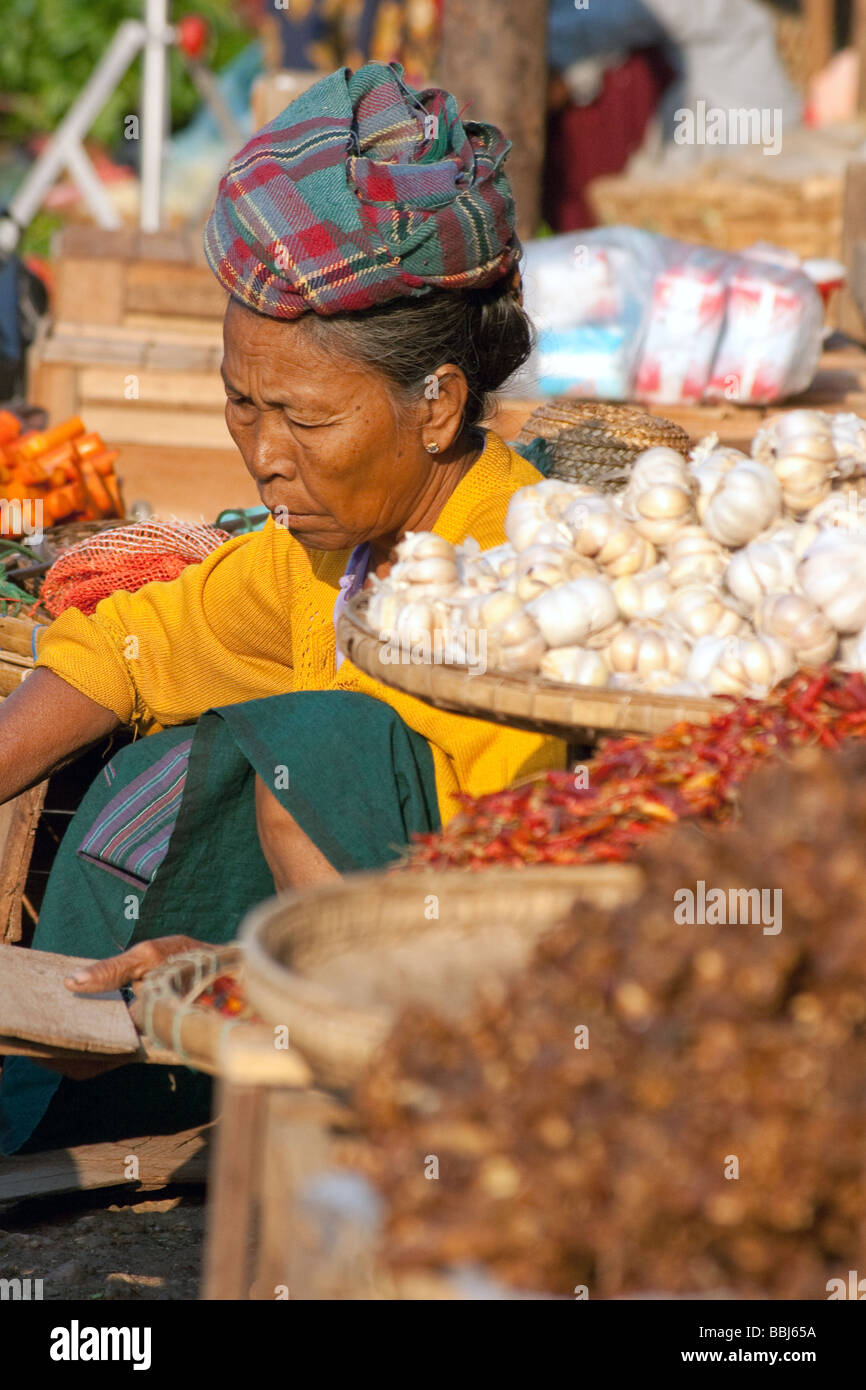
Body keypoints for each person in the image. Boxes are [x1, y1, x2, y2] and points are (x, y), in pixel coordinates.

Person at [0, 61, 565, 1154]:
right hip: (314, 974)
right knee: (167, 754)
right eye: (238, 403)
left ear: (435, 407)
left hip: (465, 1018)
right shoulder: (327, 556)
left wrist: (230, 978)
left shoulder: (521, 587)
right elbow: (141, 639)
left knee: (320, 742)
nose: (262, 457)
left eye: (302, 420)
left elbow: (496, 894)